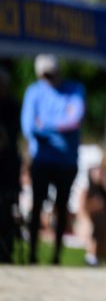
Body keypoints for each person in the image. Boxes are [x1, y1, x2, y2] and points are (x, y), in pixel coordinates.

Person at [20, 54, 84, 265]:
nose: (49, 79)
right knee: (37, 205)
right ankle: (32, 254)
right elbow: (29, 127)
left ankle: (57, 255)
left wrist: (44, 125)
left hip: (66, 162)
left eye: (52, 74)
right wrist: (59, 126)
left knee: (62, 206)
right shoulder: (34, 92)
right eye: (45, 75)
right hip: (42, 160)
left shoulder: (75, 89)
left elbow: (74, 120)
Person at [0, 67, 21, 263]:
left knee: (7, 214)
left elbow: (9, 139)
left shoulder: (12, 106)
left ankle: (6, 252)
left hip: (7, 171)